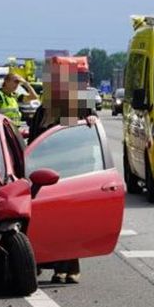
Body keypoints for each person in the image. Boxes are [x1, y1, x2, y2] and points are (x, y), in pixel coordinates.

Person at [29, 56, 95, 285]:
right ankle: (49, 265)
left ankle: (69, 265)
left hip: (70, 174)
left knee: (69, 222)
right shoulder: (42, 110)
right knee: (46, 222)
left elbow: (86, 134)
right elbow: (35, 140)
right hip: (43, 175)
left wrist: (91, 119)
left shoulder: (78, 107)